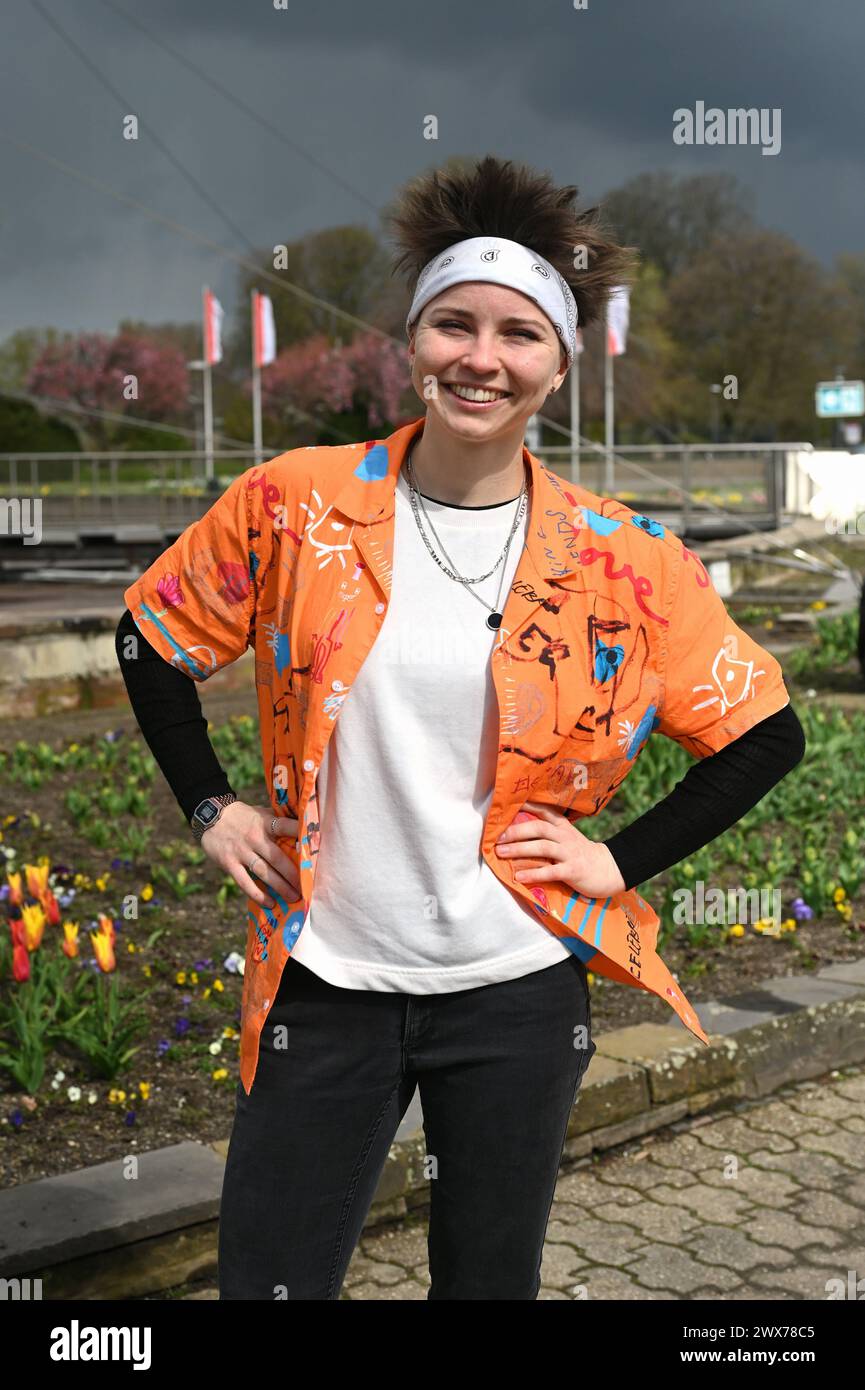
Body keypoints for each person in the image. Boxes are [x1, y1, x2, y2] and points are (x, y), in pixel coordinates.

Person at [116, 155, 805, 1300]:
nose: (481, 357)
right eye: (454, 324)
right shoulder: (297, 503)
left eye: (518, 333)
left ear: (558, 365)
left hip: (515, 988)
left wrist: (615, 861)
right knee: (269, 1281)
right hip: (324, 981)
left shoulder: (625, 559)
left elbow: (765, 733)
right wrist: (209, 805)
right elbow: (150, 637)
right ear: (413, 341)